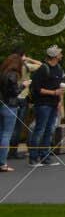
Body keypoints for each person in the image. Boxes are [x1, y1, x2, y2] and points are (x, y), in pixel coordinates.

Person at [27, 46, 65, 167]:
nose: (61, 55)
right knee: (39, 130)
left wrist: (60, 101)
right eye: (59, 53)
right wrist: (54, 93)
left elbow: (59, 87)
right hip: (43, 104)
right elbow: (37, 89)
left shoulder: (59, 69)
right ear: (55, 56)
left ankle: (45, 156)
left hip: (54, 104)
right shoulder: (43, 69)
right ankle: (33, 157)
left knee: (49, 131)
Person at [0, 43, 25, 172]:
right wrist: (24, 85)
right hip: (10, 105)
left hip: (1, 104)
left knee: (1, 133)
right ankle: (2, 163)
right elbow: (15, 92)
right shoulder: (14, 74)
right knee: (6, 135)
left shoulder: (3, 72)